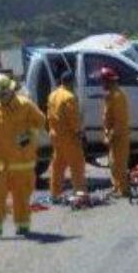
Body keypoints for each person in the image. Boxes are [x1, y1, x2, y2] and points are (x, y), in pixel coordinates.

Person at [0, 73, 46, 238]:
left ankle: (22, 225)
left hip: (21, 161)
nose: (2, 97)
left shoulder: (26, 105)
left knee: (21, 195)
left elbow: (40, 121)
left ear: (11, 90)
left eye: (4, 93)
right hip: (0, 161)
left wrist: (28, 135)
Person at [47, 71, 87, 202]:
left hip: (55, 136)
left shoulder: (53, 95)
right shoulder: (69, 97)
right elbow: (73, 119)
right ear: (71, 82)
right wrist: (80, 133)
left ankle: (55, 193)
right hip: (69, 137)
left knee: (58, 166)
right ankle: (80, 193)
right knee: (77, 165)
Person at [101, 67, 131, 197]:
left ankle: (123, 189)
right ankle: (116, 187)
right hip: (113, 136)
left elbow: (119, 120)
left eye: (103, 81)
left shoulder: (118, 96)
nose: (102, 84)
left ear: (109, 81)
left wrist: (112, 135)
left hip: (119, 136)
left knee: (119, 164)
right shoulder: (111, 95)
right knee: (113, 163)